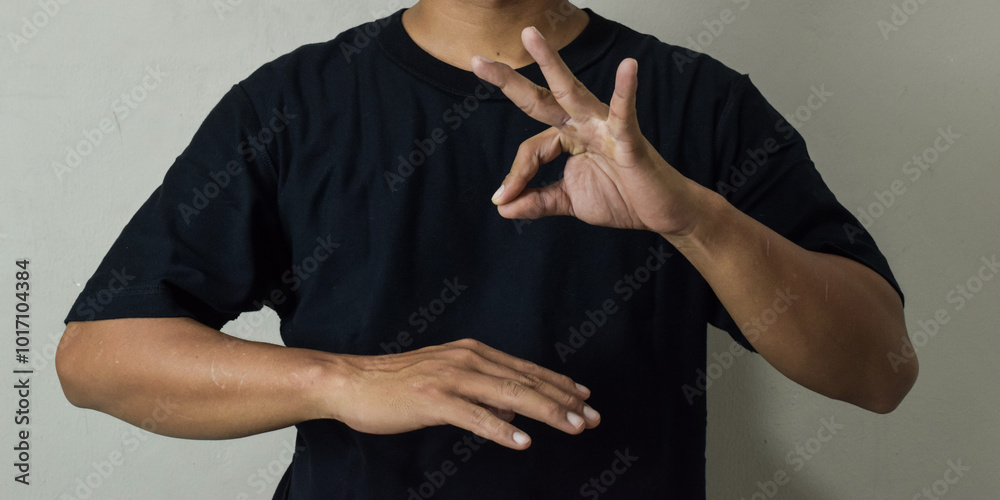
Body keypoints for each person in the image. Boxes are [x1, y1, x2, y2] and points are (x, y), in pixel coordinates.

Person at [56, 1, 918, 498]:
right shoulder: (293, 102)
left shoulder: (696, 101)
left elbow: (879, 371)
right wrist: (342, 380)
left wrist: (693, 217)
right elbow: (96, 357)